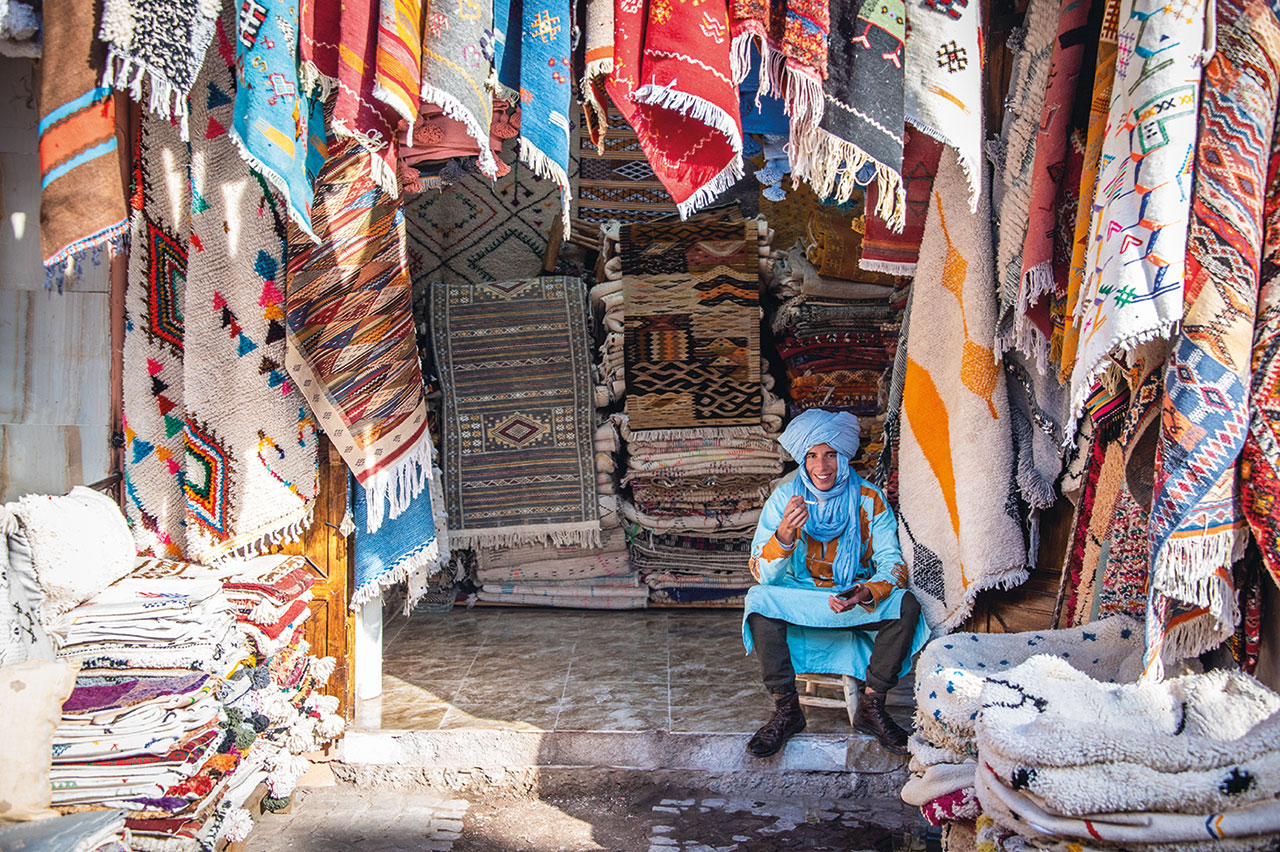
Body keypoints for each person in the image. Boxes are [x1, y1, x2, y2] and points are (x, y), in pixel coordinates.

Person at [741, 409, 930, 757]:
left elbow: (892, 562)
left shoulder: (869, 499)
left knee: (906, 604)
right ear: (802, 458)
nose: (822, 466)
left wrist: (865, 591)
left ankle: (872, 706)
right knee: (758, 600)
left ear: (844, 456)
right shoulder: (784, 499)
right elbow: (762, 573)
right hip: (802, 598)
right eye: (812, 455)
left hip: (852, 598)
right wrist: (784, 534)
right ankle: (787, 709)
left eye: (830, 454)